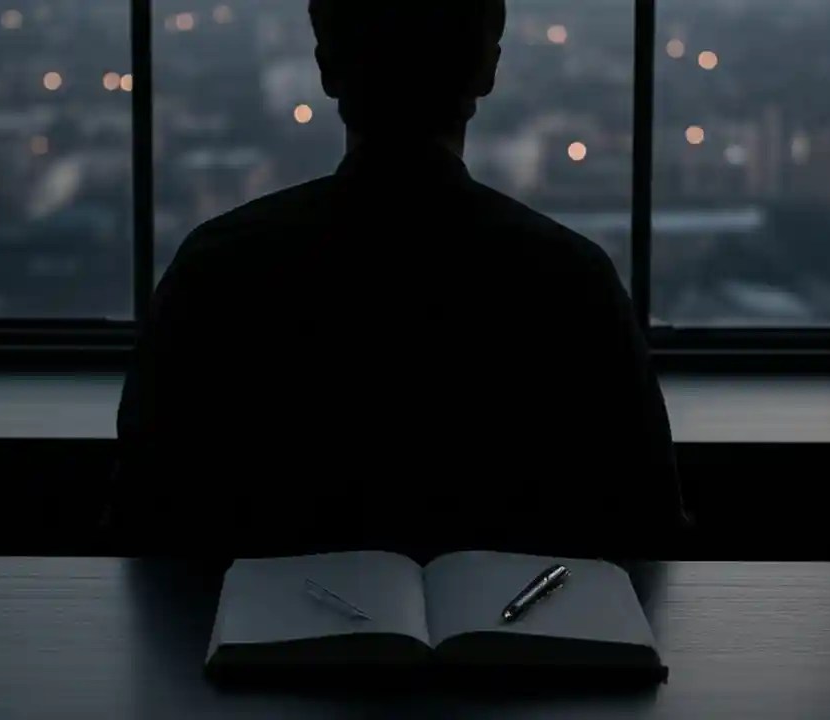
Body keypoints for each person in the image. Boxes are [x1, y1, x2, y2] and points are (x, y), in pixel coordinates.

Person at [114, 0, 687, 560]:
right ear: (487, 68)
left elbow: (143, 522)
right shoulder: (574, 285)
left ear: (326, 65)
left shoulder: (214, 273)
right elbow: (650, 530)